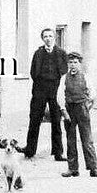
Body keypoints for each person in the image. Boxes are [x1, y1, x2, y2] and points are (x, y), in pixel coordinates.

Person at [24, 28, 68, 161]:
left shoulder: (61, 53)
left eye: (50, 36)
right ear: (42, 38)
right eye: (45, 36)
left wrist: (58, 87)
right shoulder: (38, 53)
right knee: (34, 119)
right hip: (40, 89)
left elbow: (64, 71)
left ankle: (58, 152)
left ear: (54, 37)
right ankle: (30, 150)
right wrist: (40, 84)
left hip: (55, 89)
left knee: (56, 120)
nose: (48, 39)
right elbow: (33, 71)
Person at [59, 51, 97, 178]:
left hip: (82, 109)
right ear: (68, 64)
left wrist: (87, 106)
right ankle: (72, 169)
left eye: (75, 62)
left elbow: (92, 93)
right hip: (69, 110)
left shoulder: (85, 77)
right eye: (70, 62)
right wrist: (64, 111)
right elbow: (60, 95)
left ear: (80, 64)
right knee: (70, 140)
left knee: (87, 140)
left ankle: (93, 168)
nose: (73, 65)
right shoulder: (64, 78)